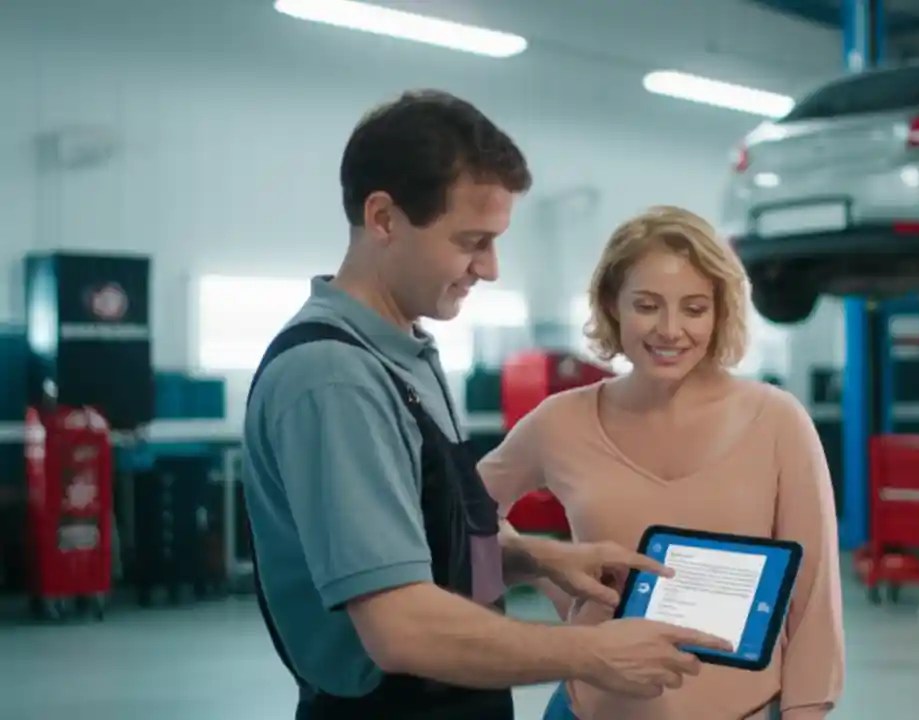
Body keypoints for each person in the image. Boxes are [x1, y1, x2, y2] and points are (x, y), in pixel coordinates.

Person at [241, 91, 731, 720]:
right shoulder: (335, 379)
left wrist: (537, 558)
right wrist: (590, 653)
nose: (491, 268)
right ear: (384, 219)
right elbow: (401, 625)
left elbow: (421, 538)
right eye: (472, 241)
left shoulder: (402, 355)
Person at [478, 205, 846, 720]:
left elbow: (814, 597)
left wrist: (804, 711)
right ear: (613, 304)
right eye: (648, 305)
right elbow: (462, 512)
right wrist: (545, 571)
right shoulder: (561, 422)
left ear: (720, 312)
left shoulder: (777, 421)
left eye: (694, 308)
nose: (670, 330)